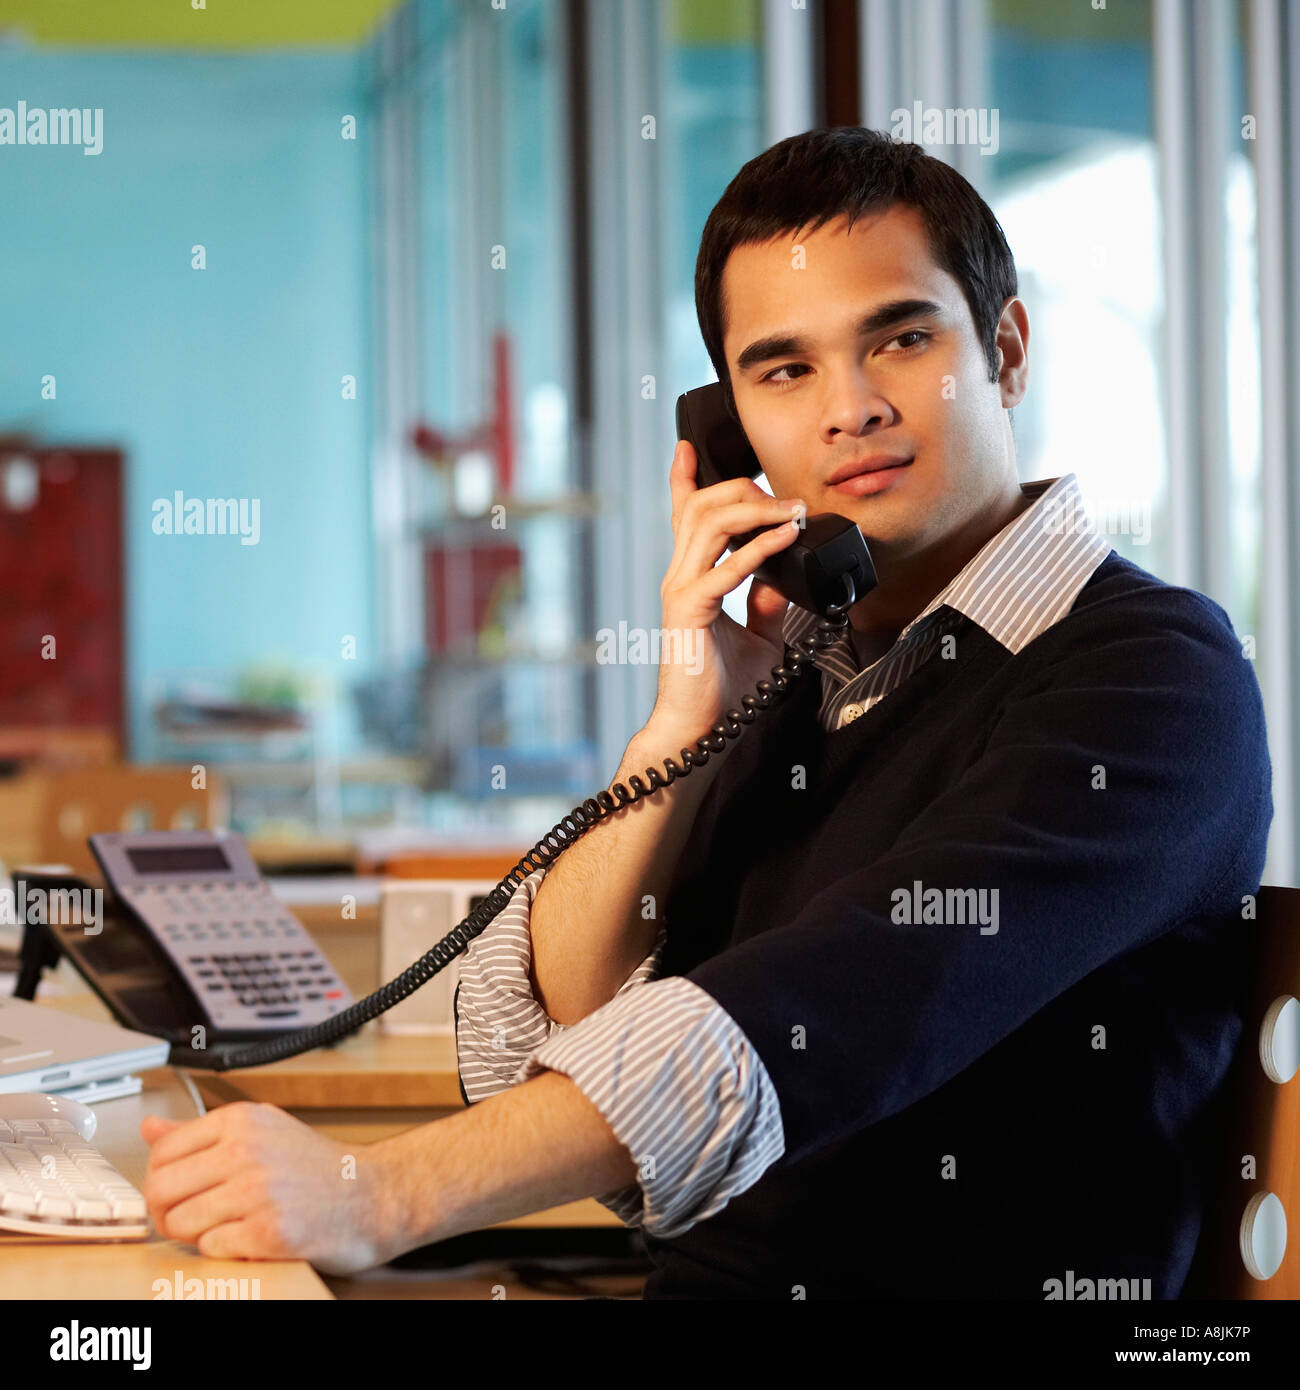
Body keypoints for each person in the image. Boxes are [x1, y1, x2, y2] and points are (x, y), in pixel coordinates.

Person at [140, 129, 1272, 1299]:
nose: (849, 409)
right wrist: (681, 725)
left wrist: (381, 1194)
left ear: (1005, 348)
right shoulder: (802, 673)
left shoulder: (1149, 681)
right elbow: (547, 1014)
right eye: (783, 371)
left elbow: (844, 997)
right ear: (726, 428)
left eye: (899, 337)